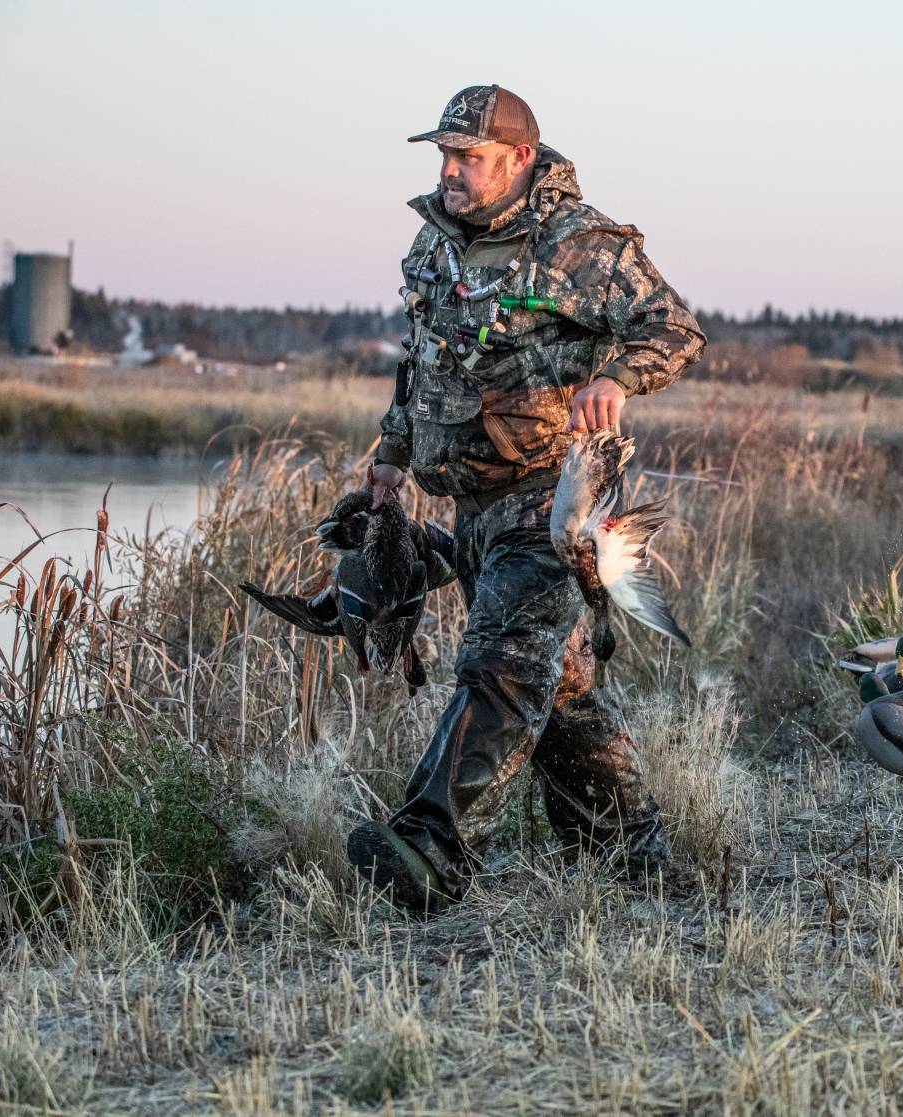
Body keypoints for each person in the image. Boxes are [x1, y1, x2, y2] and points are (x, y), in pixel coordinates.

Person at [346, 84, 704, 912]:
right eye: (443, 155)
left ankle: (433, 846)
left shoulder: (582, 243)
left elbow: (676, 328)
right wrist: (392, 459)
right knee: (563, 681)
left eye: (467, 157)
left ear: (518, 159)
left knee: (503, 666)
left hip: (550, 501)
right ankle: (630, 851)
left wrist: (614, 376)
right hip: (467, 508)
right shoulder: (432, 247)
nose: (450, 172)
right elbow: (420, 363)